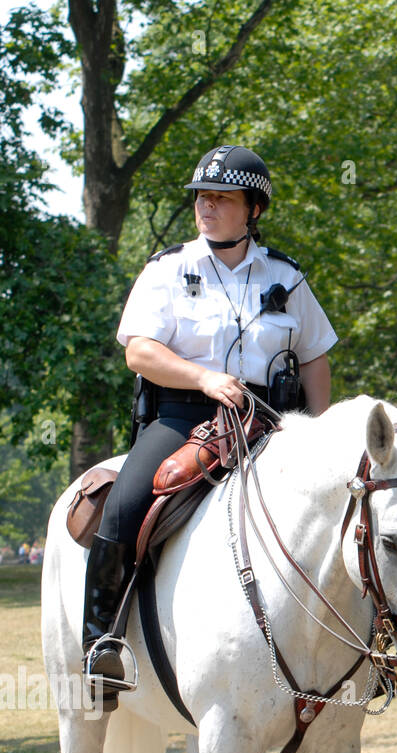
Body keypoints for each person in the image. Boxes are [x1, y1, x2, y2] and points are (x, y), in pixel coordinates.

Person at [82, 144, 337, 712]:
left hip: (272, 421)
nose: (207, 206)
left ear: (253, 209)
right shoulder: (167, 268)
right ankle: (101, 642)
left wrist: (317, 432)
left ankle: (363, 650)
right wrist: (203, 378)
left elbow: (316, 355)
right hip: (183, 416)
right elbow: (140, 352)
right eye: (202, 196)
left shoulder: (287, 276)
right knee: (124, 502)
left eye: (222, 197)